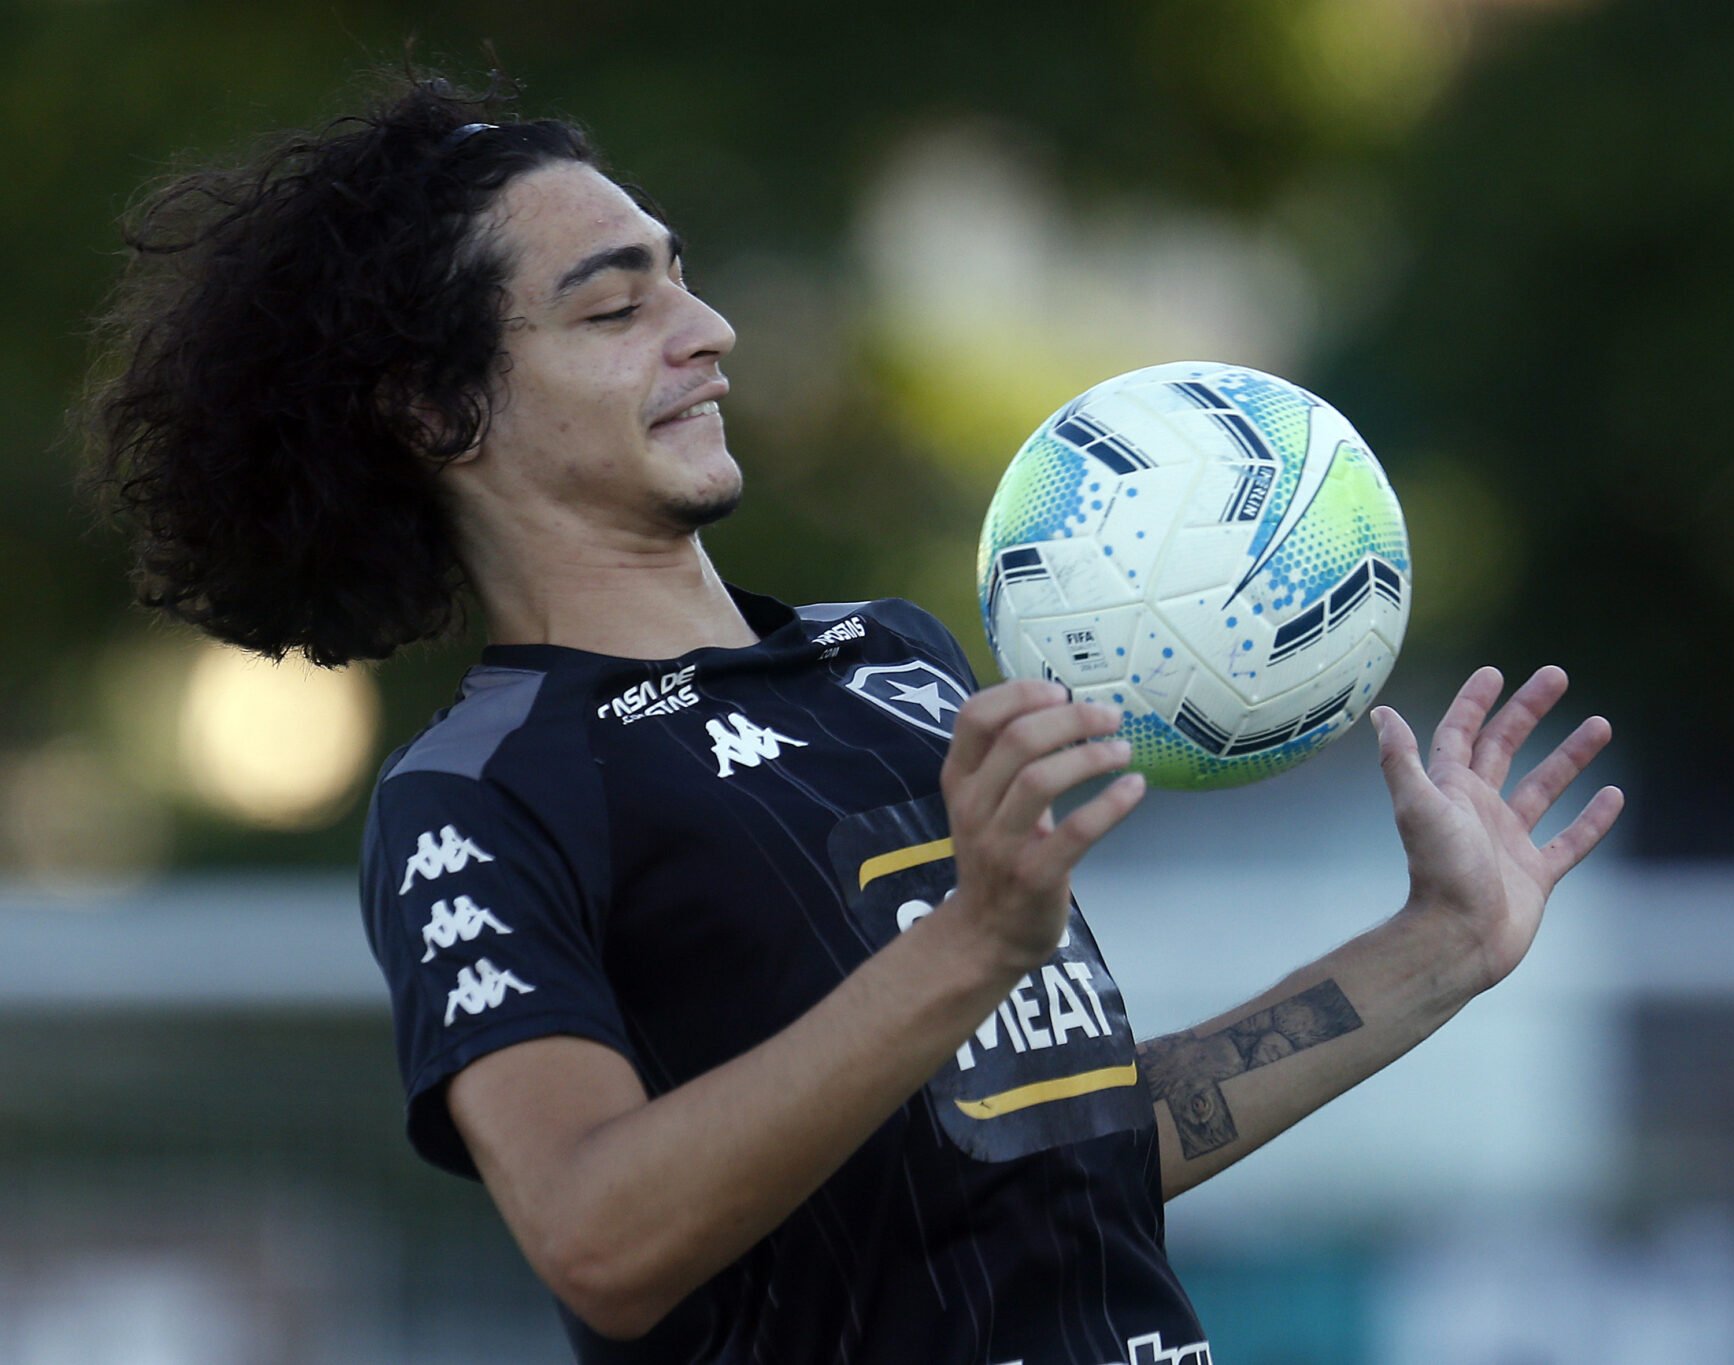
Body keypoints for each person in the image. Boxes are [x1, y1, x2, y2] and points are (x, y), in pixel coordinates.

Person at [83, 71, 1623, 1365]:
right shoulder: (483, 796)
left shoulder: (895, 656)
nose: (707, 330)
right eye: (617, 306)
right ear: (436, 409)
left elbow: (1054, 1141)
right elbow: (596, 1234)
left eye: (680, 274)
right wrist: (971, 944)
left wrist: (1438, 951)